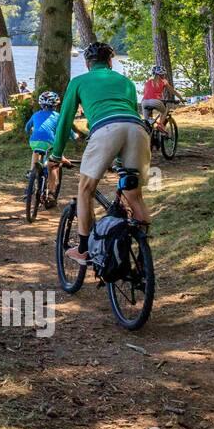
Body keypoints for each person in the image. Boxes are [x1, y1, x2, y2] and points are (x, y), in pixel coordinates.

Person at [48, 41, 152, 264]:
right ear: (110, 62)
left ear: (87, 64)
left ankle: (84, 250)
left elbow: (65, 120)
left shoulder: (78, 82)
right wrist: (118, 158)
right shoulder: (125, 81)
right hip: (137, 130)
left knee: (86, 189)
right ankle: (143, 254)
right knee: (135, 195)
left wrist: (56, 156)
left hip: (105, 130)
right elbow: (128, 115)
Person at [26, 91, 69, 204]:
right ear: (55, 105)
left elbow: (27, 128)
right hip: (50, 142)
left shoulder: (35, 114)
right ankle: (51, 192)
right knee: (53, 164)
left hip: (34, 141)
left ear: (41, 105)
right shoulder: (58, 116)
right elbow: (66, 129)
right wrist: (75, 136)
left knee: (35, 152)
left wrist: (30, 131)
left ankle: (32, 174)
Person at [140, 66, 179, 131]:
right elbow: (172, 90)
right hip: (155, 101)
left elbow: (145, 92)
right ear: (160, 75)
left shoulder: (148, 81)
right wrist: (180, 98)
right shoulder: (163, 81)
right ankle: (160, 125)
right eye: (163, 74)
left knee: (147, 123)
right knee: (164, 111)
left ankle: (149, 136)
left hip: (144, 102)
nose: (164, 76)